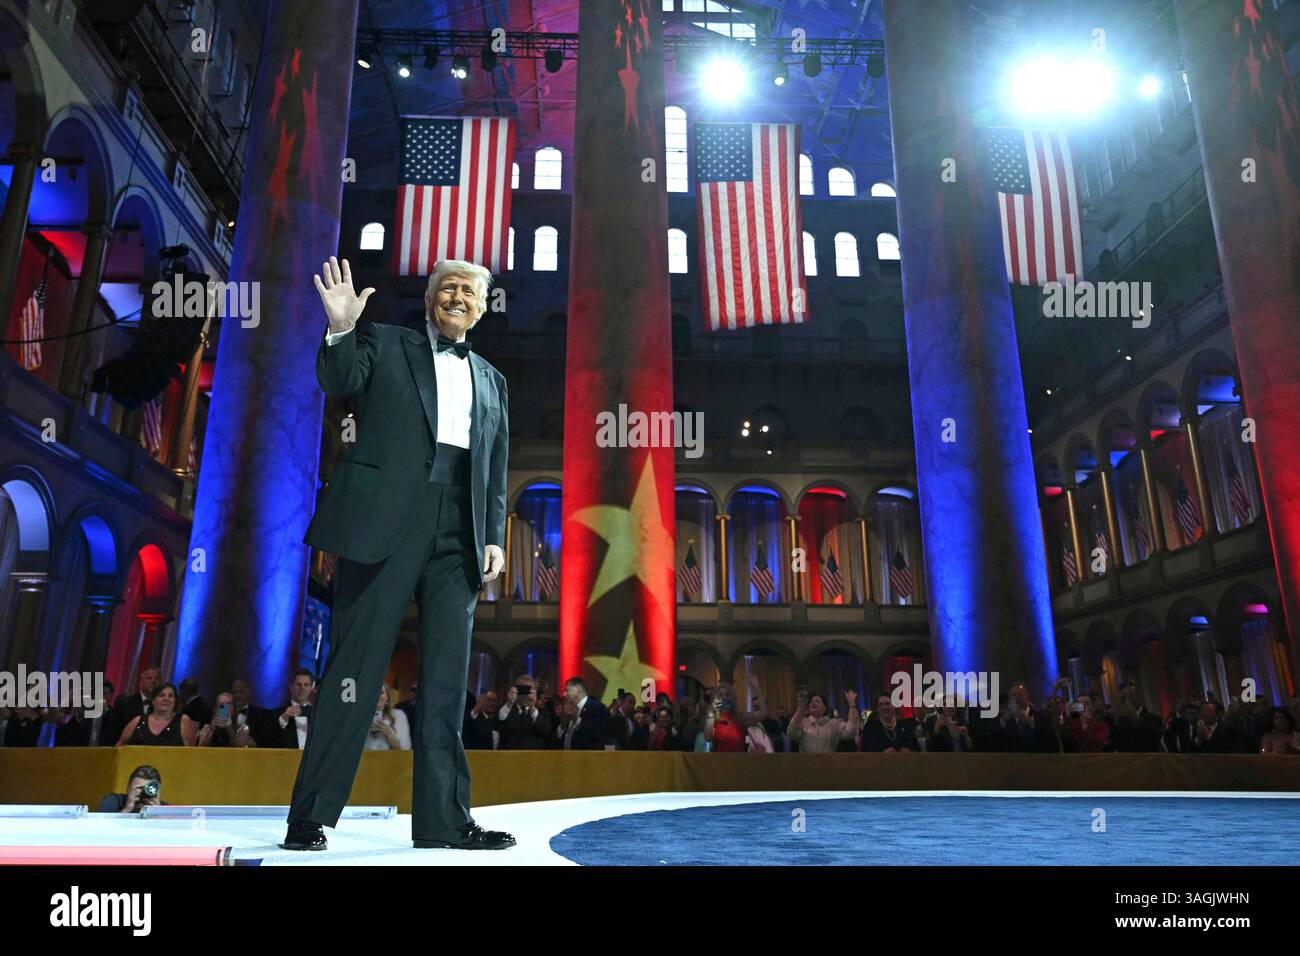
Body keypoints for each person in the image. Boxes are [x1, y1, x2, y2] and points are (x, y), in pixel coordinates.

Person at [283, 257, 512, 852]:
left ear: (482, 308)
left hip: (458, 530)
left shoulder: (493, 381)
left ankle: (445, 822)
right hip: (384, 521)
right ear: (431, 300)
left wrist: (492, 535)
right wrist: (338, 327)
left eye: (469, 290)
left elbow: (494, 471)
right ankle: (310, 817)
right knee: (352, 672)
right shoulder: (384, 343)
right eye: (447, 288)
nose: (457, 296)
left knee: (445, 682)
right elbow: (338, 381)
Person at [117, 683, 197, 746]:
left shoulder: (184, 721)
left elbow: (191, 754)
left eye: (170, 696)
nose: (166, 699)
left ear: (175, 701)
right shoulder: (138, 721)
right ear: (153, 700)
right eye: (161, 695)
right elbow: (119, 748)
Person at [787, 690, 860, 753]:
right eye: (811, 701)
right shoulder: (802, 722)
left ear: (825, 708)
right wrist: (800, 708)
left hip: (827, 765)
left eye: (817, 701)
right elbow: (791, 734)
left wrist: (852, 705)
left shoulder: (834, 724)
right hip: (806, 765)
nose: (813, 703)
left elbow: (851, 732)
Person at [558, 677, 611, 750]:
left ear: (578, 688)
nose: (564, 694)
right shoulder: (570, 710)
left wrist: (577, 719)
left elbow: (599, 733)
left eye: (567, 690)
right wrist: (564, 724)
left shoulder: (597, 707)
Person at [1110, 682, 1163, 753]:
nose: (1127, 700)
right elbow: (1116, 744)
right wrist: (1117, 721)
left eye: (1130, 695)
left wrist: (1135, 718)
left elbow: (1154, 739)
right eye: (1124, 698)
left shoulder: (1153, 718)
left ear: (1139, 696)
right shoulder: (1121, 722)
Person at [94, 765, 169, 813]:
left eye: (149, 789)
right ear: (128, 787)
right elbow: (100, 828)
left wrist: (158, 813)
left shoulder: (165, 809)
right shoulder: (113, 802)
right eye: (140, 788)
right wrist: (128, 808)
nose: (144, 792)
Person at [272, 670, 316, 749]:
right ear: (291, 687)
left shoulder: (317, 714)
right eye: (298, 684)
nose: (302, 688)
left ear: (311, 688)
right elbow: (269, 740)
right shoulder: (276, 713)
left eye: (306, 685)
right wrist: (284, 718)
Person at [366, 684, 411, 750]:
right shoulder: (360, 717)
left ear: (387, 698)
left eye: (381, 692)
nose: (377, 695)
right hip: (366, 758)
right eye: (374, 692)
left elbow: (404, 749)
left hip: (389, 759)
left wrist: (387, 732)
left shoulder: (398, 715)